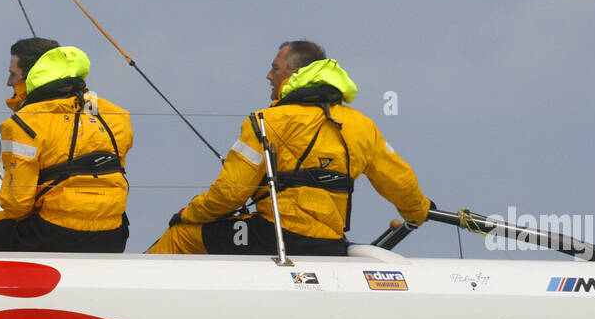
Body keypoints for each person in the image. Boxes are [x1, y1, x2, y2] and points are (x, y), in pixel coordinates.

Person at [146, 40, 432, 256]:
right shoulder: (362, 125)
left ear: (294, 74)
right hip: (330, 242)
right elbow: (400, 180)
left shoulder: (266, 121)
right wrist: (417, 211)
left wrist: (189, 213)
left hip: (275, 236)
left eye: (275, 68)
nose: (268, 76)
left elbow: (230, 193)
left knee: (181, 236)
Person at [0, 43, 133, 253]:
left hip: (53, 234)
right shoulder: (117, 116)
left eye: (13, 75)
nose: (8, 82)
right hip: (113, 235)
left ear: (34, 76)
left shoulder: (23, 124)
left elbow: (17, 205)